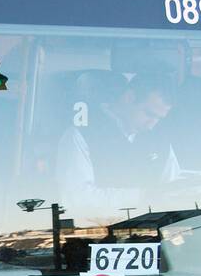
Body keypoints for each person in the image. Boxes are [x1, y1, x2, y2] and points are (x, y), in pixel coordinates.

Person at [56, 72, 179, 220]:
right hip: (94, 234)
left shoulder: (160, 140)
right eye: (148, 114)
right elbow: (77, 199)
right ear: (129, 98)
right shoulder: (80, 134)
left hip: (151, 232)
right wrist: (142, 196)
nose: (152, 125)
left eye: (159, 118)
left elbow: (172, 189)